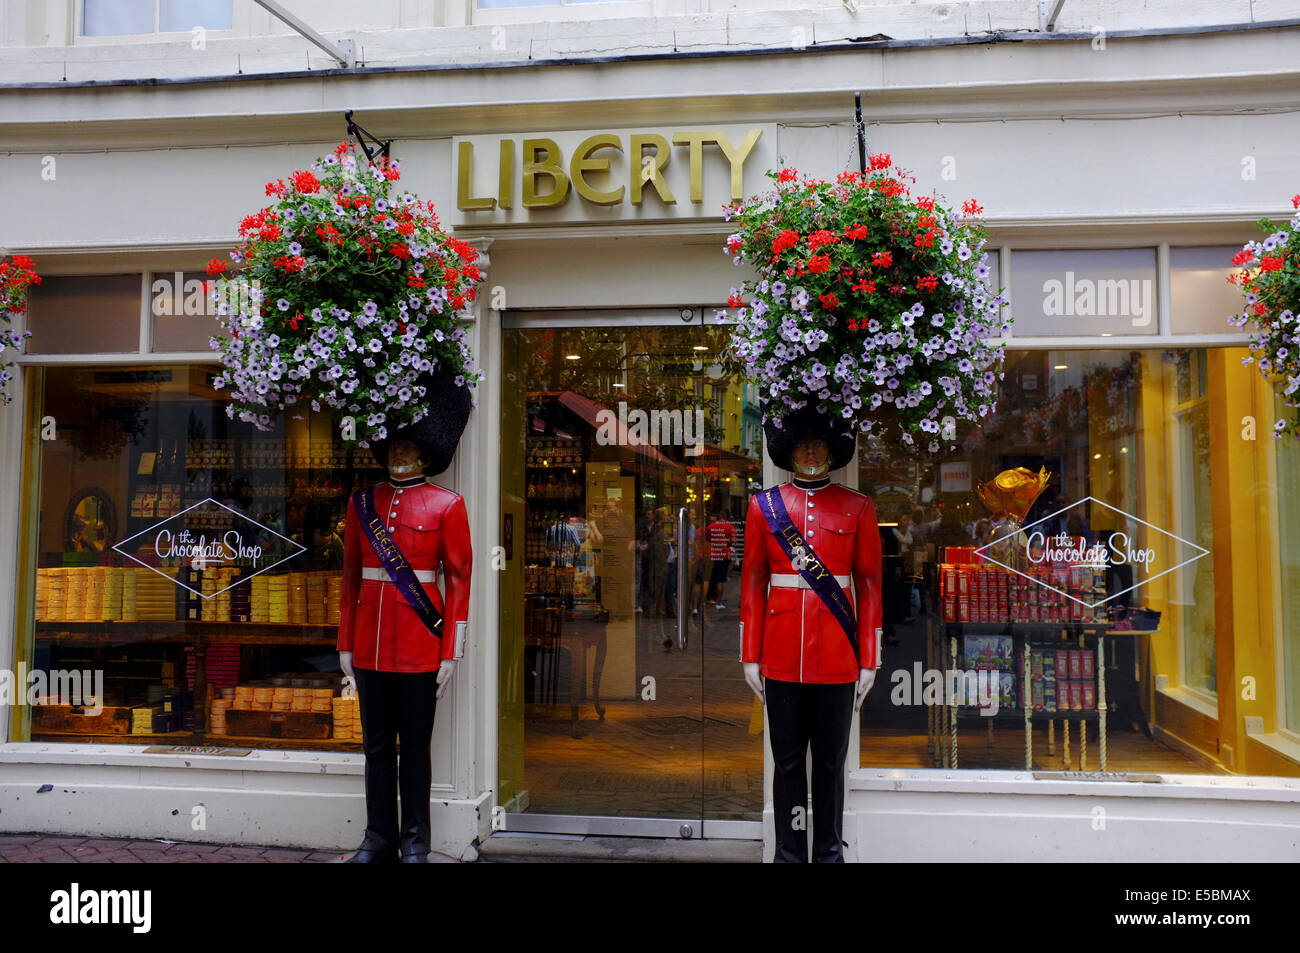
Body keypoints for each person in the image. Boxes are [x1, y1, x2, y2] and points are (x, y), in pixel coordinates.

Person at [337, 371, 472, 863]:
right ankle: (378, 839)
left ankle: (416, 842)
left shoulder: (447, 506)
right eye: (394, 444)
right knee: (375, 751)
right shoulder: (362, 504)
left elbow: (458, 580)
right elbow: (351, 577)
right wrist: (345, 645)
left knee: (415, 750)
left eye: (408, 444)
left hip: (420, 645)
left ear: (426, 452)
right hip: (370, 645)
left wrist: (450, 650)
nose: (399, 452)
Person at [740, 404, 882, 863]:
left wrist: (869, 659)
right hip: (780, 655)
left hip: (838, 656)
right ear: (789, 450)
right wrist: (749, 654)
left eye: (819, 442)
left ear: (832, 449)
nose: (812, 450)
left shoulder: (858, 507)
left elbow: (870, 585)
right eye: (803, 443)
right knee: (785, 764)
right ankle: (787, 855)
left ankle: (828, 854)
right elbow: (752, 584)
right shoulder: (764, 507)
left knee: (830, 765)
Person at [703, 509, 737, 608]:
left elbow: (706, 539)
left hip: (712, 555)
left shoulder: (711, 527)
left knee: (711, 578)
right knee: (720, 580)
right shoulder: (731, 528)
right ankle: (718, 600)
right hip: (724, 555)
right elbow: (733, 543)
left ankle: (710, 598)